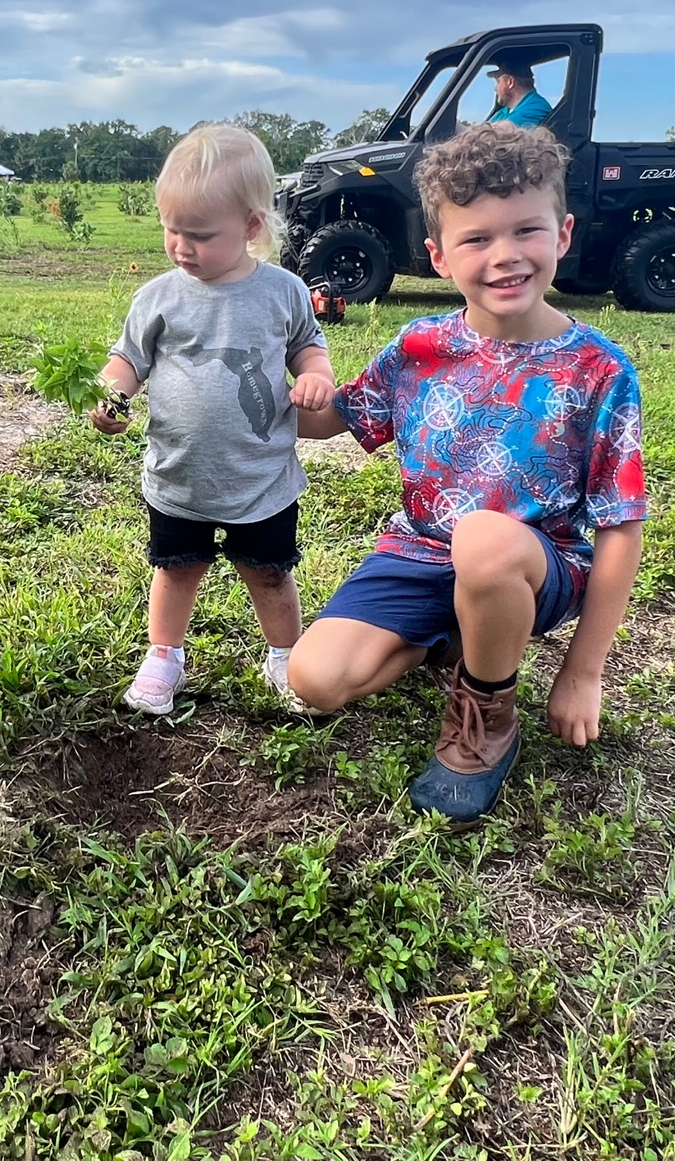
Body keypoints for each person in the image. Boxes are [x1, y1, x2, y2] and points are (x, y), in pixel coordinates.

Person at [284, 121, 646, 823]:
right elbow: (338, 420)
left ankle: (487, 711)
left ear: (564, 234)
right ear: (439, 255)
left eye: (526, 231)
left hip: (535, 564)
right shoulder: (419, 345)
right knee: (315, 678)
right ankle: (453, 635)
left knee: (483, 540)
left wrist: (583, 671)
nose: (505, 256)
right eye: (477, 238)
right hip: (420, 550)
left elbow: (621, 528)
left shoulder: (600, 370)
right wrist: (274, 386)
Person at [91, 124, 335, 716]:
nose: (181, 246)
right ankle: (164, 655)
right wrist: (111, 395)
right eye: (171, 229)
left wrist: (315, 375)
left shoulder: (284, 291)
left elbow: (308, 343)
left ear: (252, 226)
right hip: (180, 475)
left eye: (199, 234)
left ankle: (284, 654)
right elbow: (128, 359)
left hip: (262, 476)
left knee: (272, 573)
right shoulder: (158, 297)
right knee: (176, 570)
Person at [485, 61, 553, 129]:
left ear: (510, 82)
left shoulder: (537, 107)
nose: (495, 88)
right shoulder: (503, 112)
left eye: (498, 82)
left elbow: (501, 130)